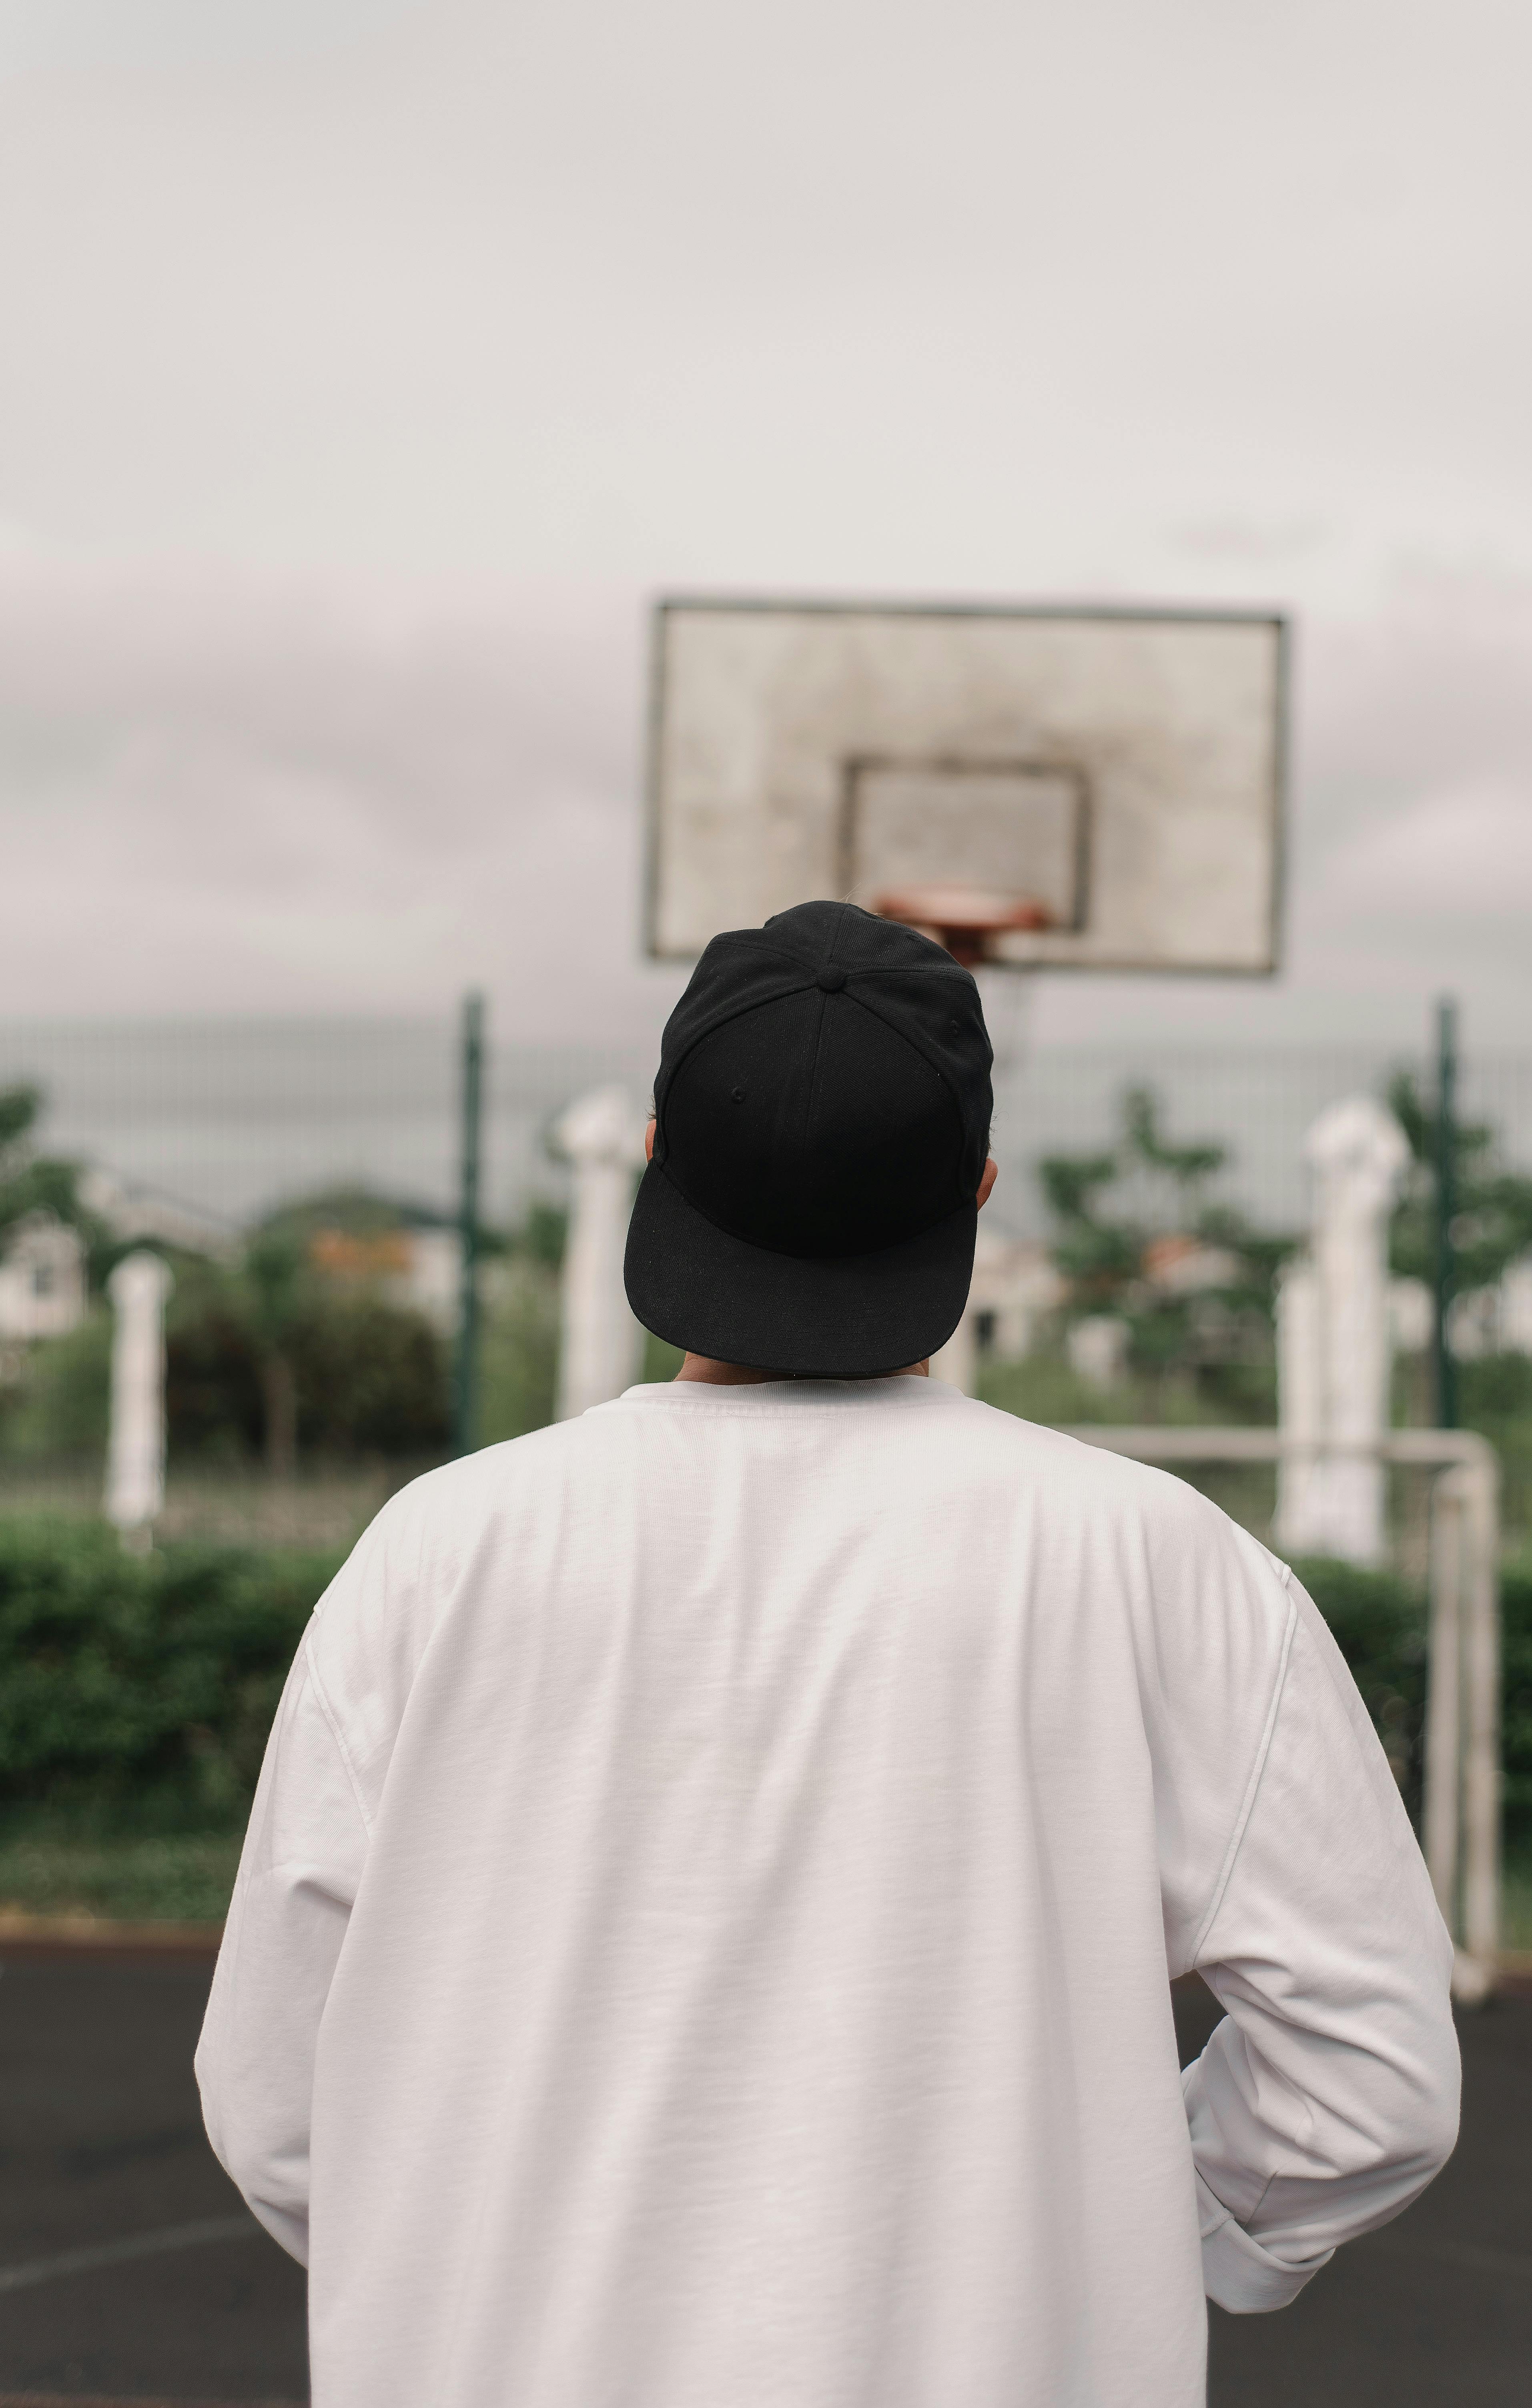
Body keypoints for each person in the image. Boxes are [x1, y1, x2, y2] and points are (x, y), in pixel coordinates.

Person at [197, 899, 1459, 2407]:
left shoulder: (438, 1554)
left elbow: (275, 2097)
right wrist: (1133, 2218)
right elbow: (1371, 2083)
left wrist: (469, 2269)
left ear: (658, 1158)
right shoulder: (1166, 1566)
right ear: (980, 1188)